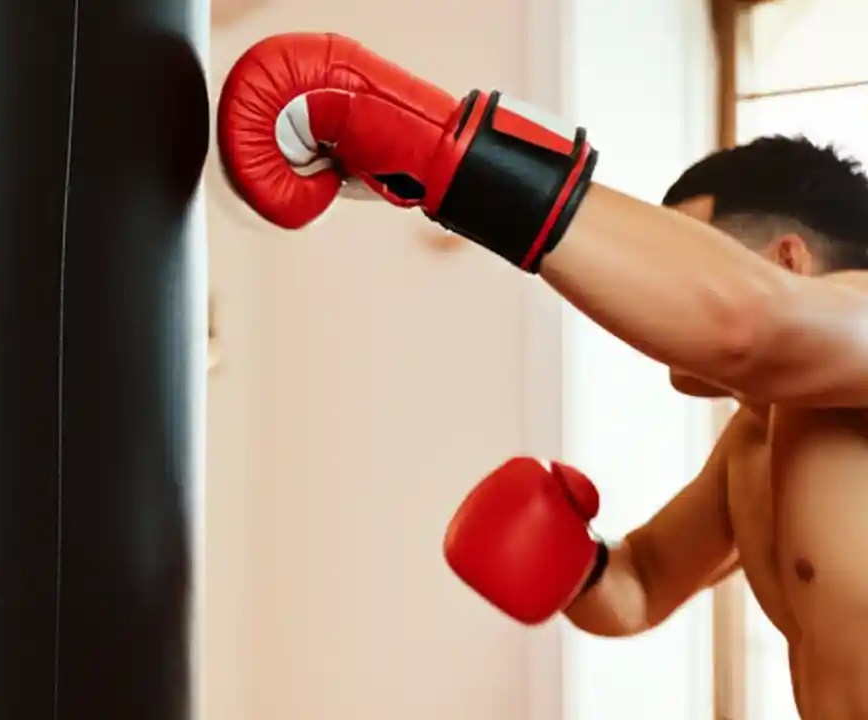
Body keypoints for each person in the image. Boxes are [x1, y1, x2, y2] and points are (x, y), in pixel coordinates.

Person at [217, 32, 868, 719]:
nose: (655, 284)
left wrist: (440, 150)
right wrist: (576, 565)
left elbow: (743, 323)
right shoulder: (752, 445)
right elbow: (641, 585)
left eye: (696, 253)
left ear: (789, 261)